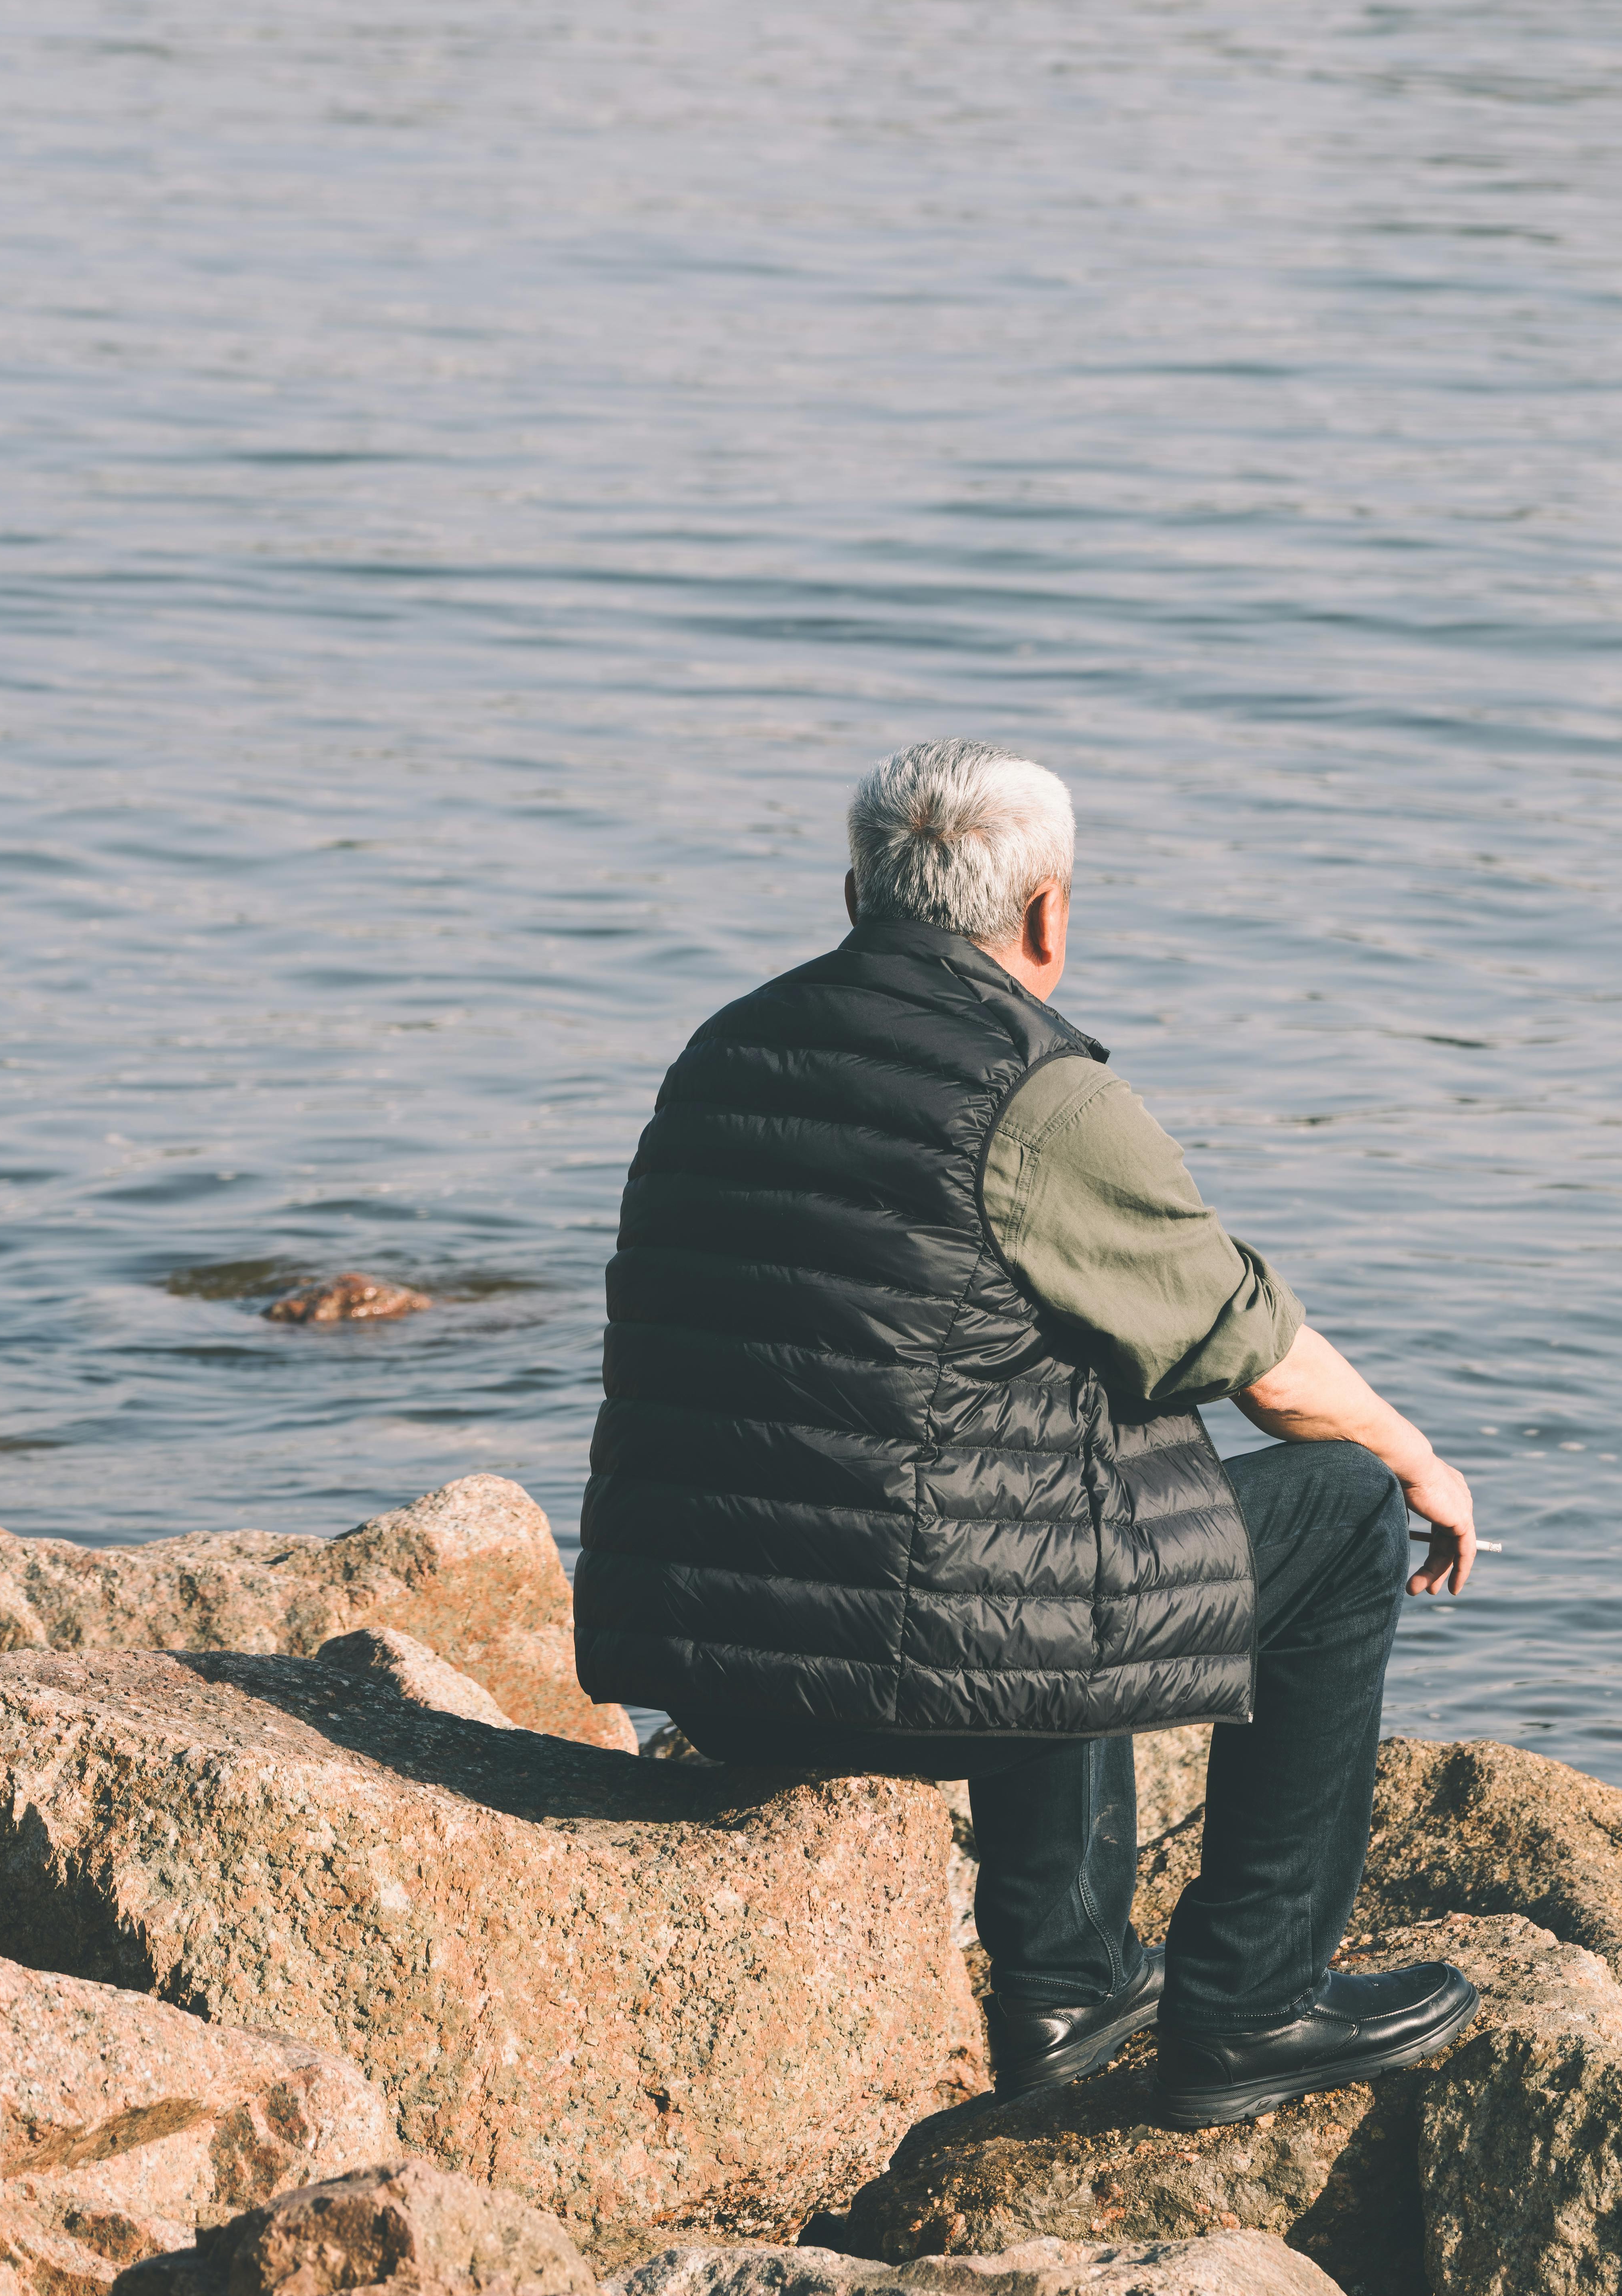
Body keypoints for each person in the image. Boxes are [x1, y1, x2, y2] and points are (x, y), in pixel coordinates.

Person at [575, 739, 1481, 2127]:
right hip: (902, 1678)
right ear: (1048, 914)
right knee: (1342, 1504)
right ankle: (1254, 2005)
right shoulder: (1039, 1095)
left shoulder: (723, 1051)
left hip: (706, 1663)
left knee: (1026, 1457)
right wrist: (1420, 1462)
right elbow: (1262, 1359)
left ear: (855, 891)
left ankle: (1067, 1985)